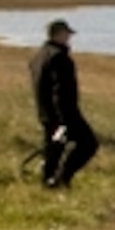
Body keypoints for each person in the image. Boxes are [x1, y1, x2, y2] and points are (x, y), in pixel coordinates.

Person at [33, 18, 99, 189]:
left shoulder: (39, 56)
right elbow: (61, 91)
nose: (69, 38)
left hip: (45, 112)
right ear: (58, 34)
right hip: (64, 113)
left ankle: (49, 181)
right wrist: (64, 120)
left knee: (55, 146)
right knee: (88, 144)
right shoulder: (59, 58)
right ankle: (62, 178)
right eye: (67, 34)